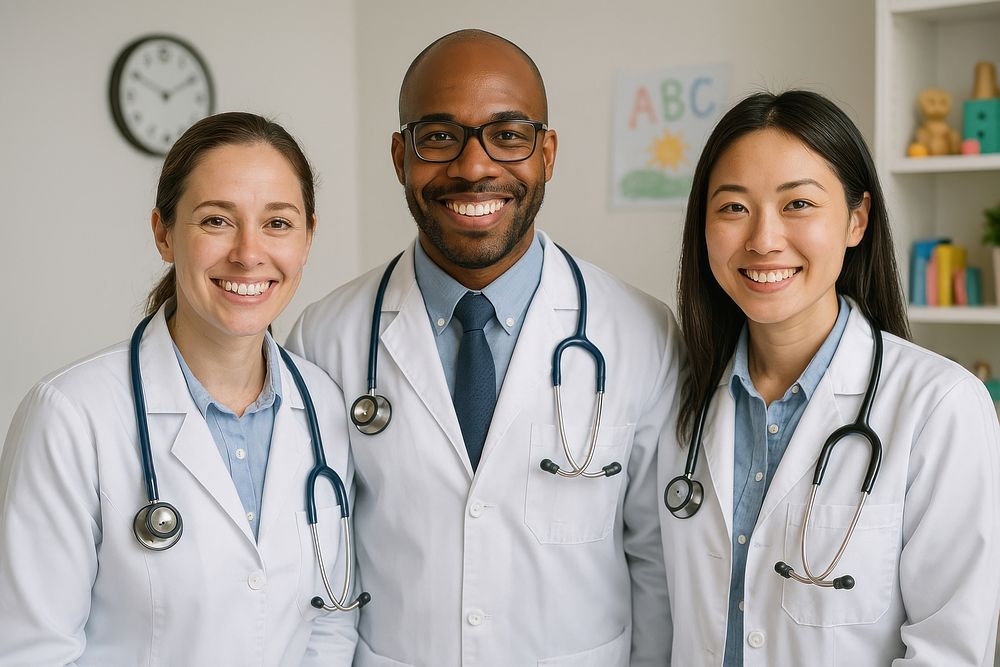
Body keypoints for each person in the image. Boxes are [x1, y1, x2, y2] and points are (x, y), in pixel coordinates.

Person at [286, 29, 680, 666]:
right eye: (439, 136)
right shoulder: (324, 338)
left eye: (508, 134)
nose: (473, 167)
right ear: (399, 156)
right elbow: (315, 559)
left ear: (547, 152)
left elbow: (657, 564)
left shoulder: (641, 332)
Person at [0, 112, 360, 665]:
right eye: (216, 221)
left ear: (308, 238)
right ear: (164, 233)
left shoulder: (323, 406)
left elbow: (330, 622)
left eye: (278, 223)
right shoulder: (72, 414)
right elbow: (31, 650)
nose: (248, 252)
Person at [658, 90, 1000, 665]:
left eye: (798, 205)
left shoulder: (940, 407)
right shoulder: (678, 397)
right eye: (734, 208)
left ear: (856, 220)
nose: (763, 239)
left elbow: (950, 652)